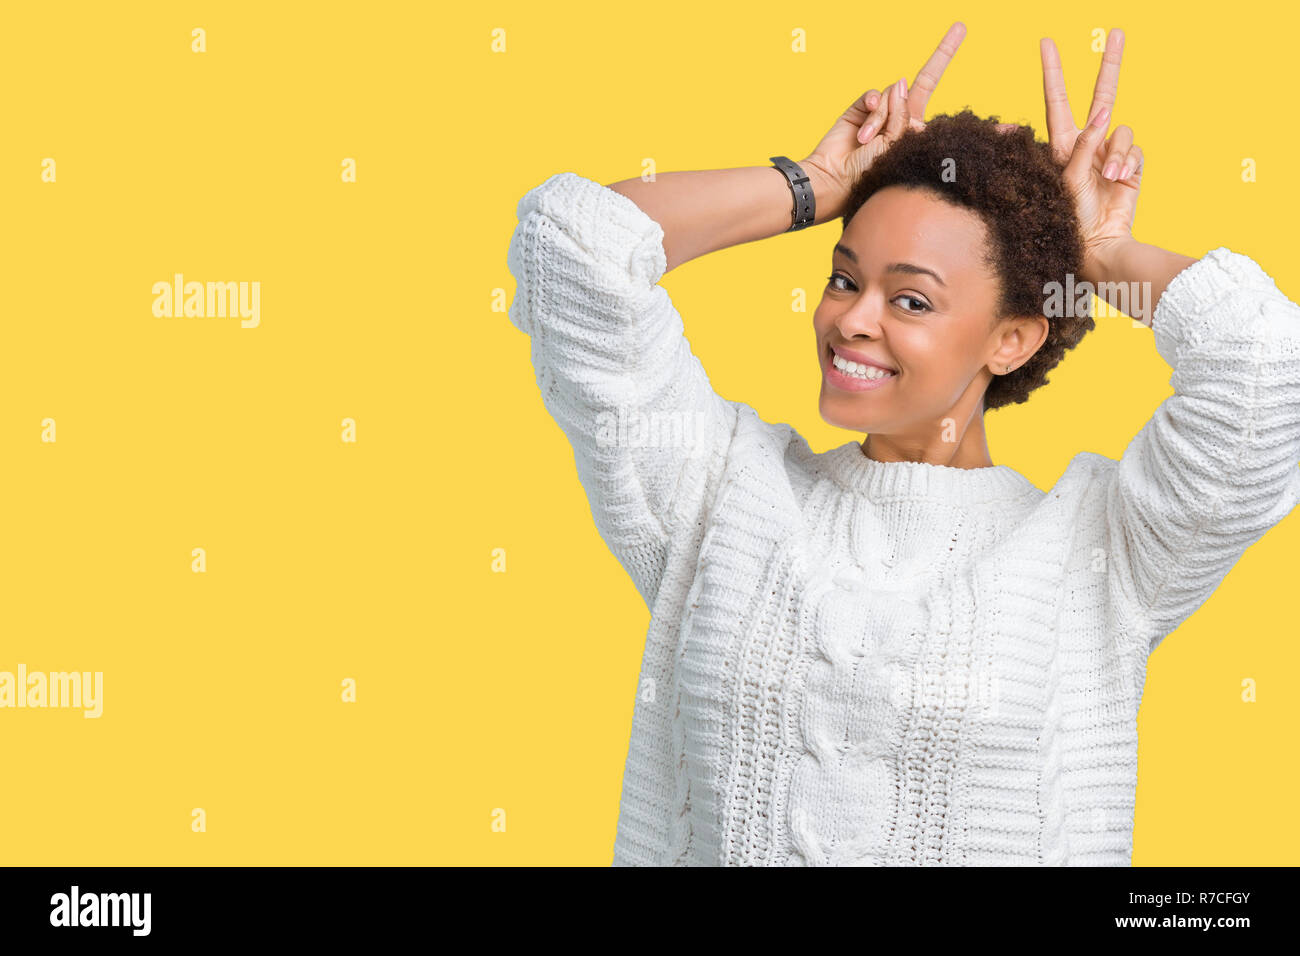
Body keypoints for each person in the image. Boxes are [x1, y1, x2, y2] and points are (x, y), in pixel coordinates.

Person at [503, 23, 1300, 865]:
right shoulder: (721, 493)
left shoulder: (1098, 551)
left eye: (911, 300)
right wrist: (813, 185)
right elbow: (574, 242)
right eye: (844, 278)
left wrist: (1098, 255)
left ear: (1013, 341)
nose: (851, 318)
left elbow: (1269, 368)